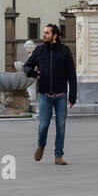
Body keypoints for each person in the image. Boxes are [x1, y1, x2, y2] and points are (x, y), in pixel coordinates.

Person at [22, 23, 76, 165]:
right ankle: (41, 145)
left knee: (61, 126)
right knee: (43, 125)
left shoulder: (64, 51)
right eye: (44, 32)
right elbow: (26, 66)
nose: (43, 35)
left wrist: (72, 96)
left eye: (47, 32)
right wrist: (33, 73)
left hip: (61, 95)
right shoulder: (39, 50)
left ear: (55, 35)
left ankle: (58, 155)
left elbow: (71, 74)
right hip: (45, 94)